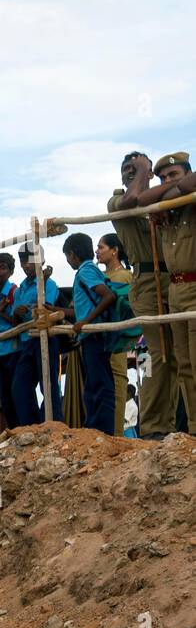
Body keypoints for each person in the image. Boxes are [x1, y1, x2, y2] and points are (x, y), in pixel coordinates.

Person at [111, 152, 180, 438]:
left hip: (172, 278)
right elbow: (131, 200)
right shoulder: (117, 199)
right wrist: (142, 171)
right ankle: (152, 425)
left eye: (136, 168)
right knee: (156, 354)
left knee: (177, 356)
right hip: (147, 280)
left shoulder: (156, 196)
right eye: (128, 168)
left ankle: (170, 423)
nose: (132, 172)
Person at [127, 151, 196, 430]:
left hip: (184, 288)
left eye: (173, 175)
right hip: (171, 292)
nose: (167, 180)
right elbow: (139, 199)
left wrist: (167, 194)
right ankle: (188, 428)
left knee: (172, 361)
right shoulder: (163, 210)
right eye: (162, 177)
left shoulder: (187, 203)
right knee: (181, 364)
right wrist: (171, 192)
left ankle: (158, 425)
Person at [64, 233, 117, 434]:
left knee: (100, 384)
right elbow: (81, 311)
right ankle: (94, 426)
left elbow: (107, 296)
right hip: (90, 336)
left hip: (94, 335)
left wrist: (86, 321)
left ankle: (102, 429)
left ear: (73, 254)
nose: (68, 261)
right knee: (94, 384)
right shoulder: (88, 271)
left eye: (67, 257)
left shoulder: (85, 271)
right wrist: (54, 309)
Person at [9, 243, 63, 426]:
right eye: (22, 261)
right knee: (19, 387)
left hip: (46, 339)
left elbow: (48, 308)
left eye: (29, 261)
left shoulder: (49, 283)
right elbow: (15, 323)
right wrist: (17, 313)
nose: (26, 266)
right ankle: (31, 426)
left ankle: (53, 424)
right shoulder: (21, 288)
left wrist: (32, 309)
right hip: (27, 342)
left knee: (48, 385)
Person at [97, 234, 134, 435]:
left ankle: (117, 434)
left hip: (117, 339)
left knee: (117, 382)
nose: (97, 251)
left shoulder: (126, 276)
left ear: (114, 250)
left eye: (101, 247)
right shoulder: (99, 277)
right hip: (98, 339)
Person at [0, 253, 19, 433]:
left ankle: (20, 430)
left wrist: (2, 314)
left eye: (3, 267)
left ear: (10, 271)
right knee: (4, 397)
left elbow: (18, 323)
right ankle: (12, 433)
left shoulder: (14, 292)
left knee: (17, 394)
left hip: (14, 349)